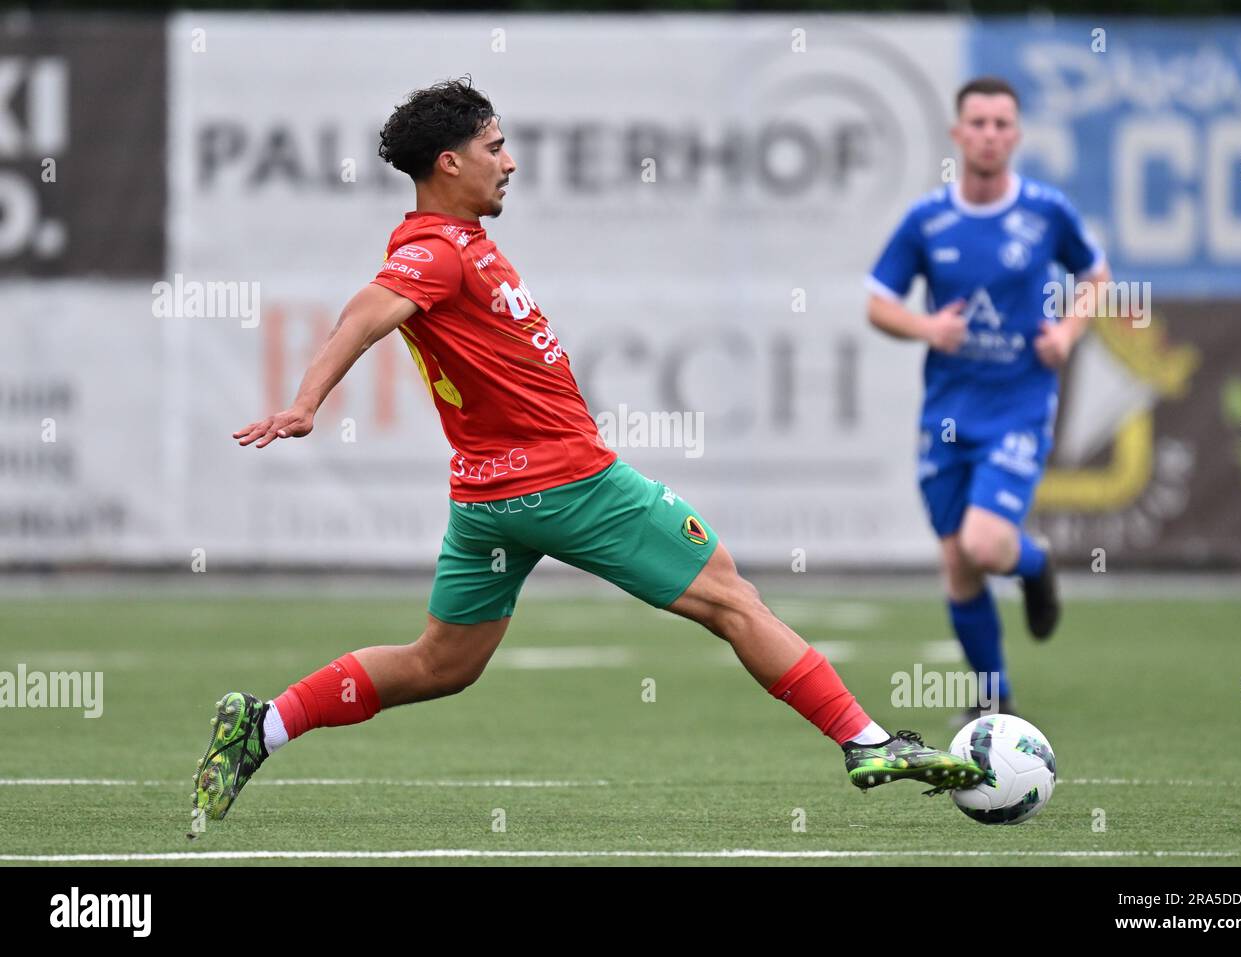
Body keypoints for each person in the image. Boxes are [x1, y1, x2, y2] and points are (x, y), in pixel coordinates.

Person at [190, 78, 983, 831]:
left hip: (488, 503)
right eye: (495, 146)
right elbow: (367, 311)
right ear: (449, 163)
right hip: (566, 483)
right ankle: (867, 741)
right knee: (732, 598)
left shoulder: (457, 241)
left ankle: (265, 725)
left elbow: (386, 311)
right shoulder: (436, 250)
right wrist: (307, 401)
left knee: (441, 664)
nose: (510, 161)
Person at [864, 76, 1109, 725]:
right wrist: (928, 328)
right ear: (957, 133)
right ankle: (994, 695)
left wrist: (1068, 330)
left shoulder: (1045, 211)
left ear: (1017, 135)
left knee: (984, 544)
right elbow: (877, 303)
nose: (991, 134)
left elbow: (1096, 275)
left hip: (1018, 406)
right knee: (957, 562)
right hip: (947, 414)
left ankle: (1034, 562)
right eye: (979, 122)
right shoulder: (927, 220)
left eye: (1003, 124)